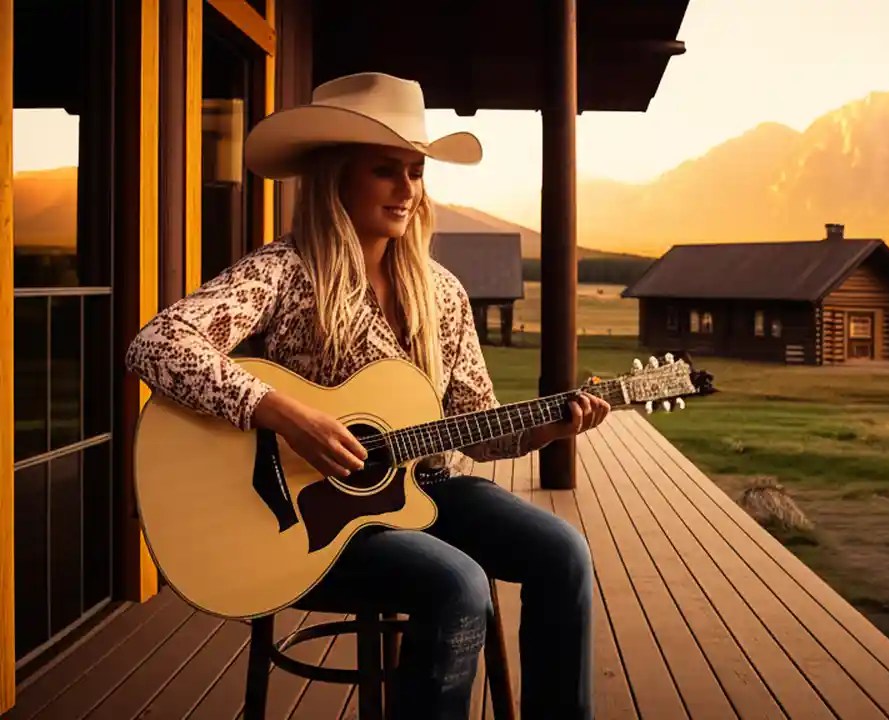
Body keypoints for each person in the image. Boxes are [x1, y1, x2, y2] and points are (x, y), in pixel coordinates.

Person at [124, 72, 607, 719]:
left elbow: (474, 425)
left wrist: (546, 429)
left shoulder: (441, 293)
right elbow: (158, 343)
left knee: (564, 553)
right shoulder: (283, 272)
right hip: (305, 520)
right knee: (457, 582)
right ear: (336, 177)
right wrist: (284, 414)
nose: (408, 190)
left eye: (416, 172)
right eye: (387, 171)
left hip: (424, 489)